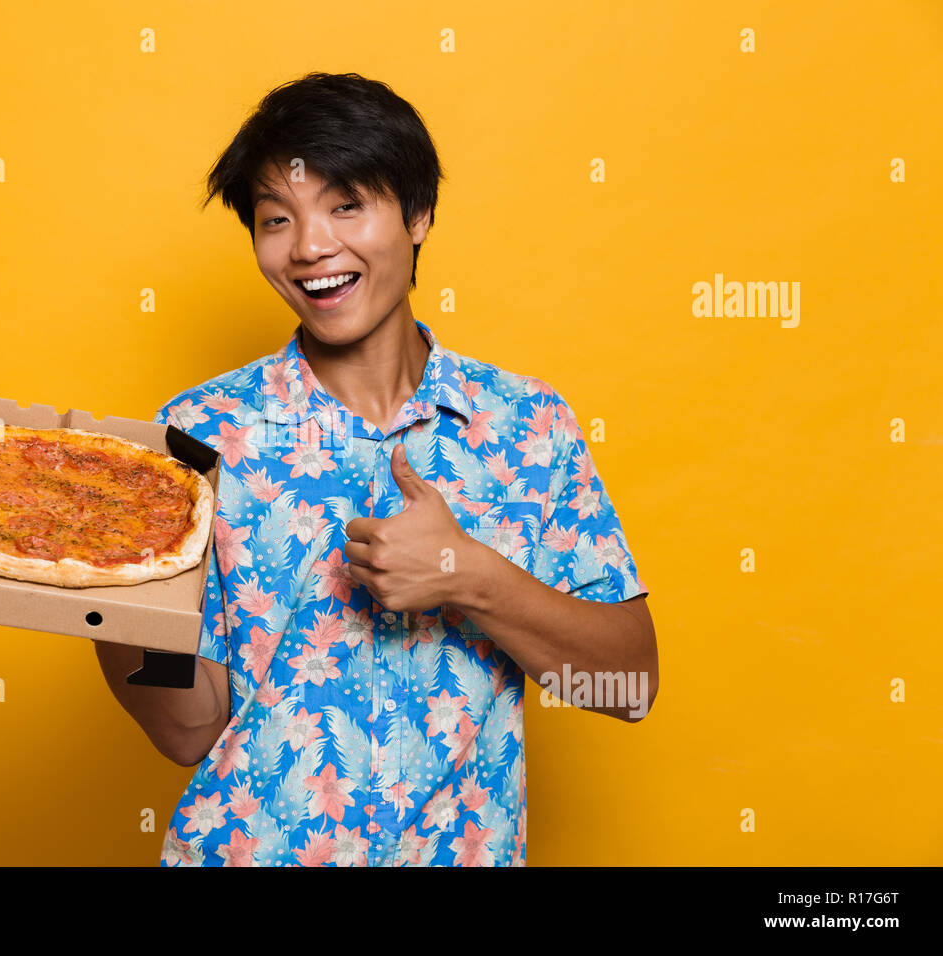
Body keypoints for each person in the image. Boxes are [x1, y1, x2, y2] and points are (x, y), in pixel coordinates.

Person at [95, 72, 657, 867]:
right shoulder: (198, 437)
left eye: (346, 205)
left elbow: (627, 689)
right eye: (276, 220)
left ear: (420, 214)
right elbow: (189, 729)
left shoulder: (528, 425)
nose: (310, 247)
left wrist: (468, 575)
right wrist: (105, 595)